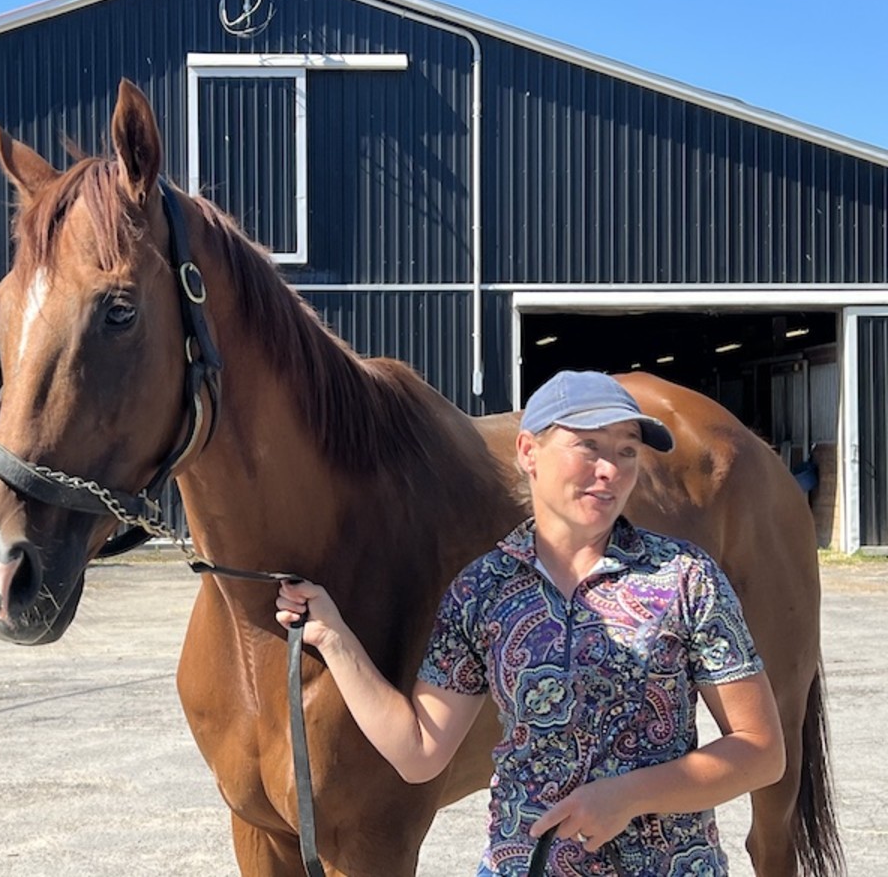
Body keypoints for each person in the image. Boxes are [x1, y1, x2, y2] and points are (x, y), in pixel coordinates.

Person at [276, 370, 785, 876]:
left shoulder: (685, 578)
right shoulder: (482, 591)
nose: (610, 469)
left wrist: (628, 796)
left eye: (627, 450)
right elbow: (419, 752)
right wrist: (333, 638)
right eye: (588, 446)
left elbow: (761, 752)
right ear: (528, 452)